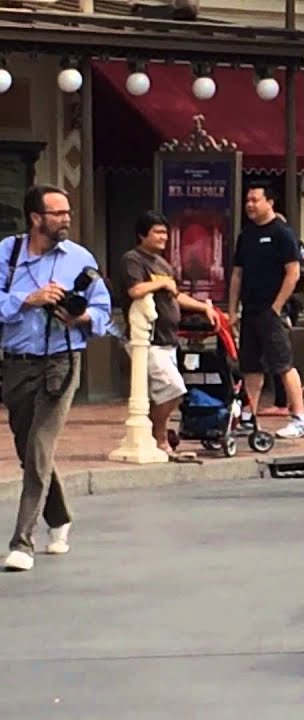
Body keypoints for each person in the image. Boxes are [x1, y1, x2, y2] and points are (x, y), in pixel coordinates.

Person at [0, 185, 112, 571]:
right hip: (16, 361)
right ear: (36, 218)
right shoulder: (8, 253)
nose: (67, 218)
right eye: (58, 213)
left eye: (68, 212)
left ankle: (22, 542)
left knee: (39, 447)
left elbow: (102, 311)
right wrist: (26, 300)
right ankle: (60, 516)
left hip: (61, 360)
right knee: (26, 445)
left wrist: (79, 317)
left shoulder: (79, 259)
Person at [120, 211, 219, 461]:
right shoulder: (133, 259)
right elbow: (135, 290)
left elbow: (175, 295)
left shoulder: (162, 263)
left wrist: (204, 307)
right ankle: (160, 437)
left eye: (165, 232)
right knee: (173, 388)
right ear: (143, 235)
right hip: (146, 340)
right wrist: (160, 285)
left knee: (161, 392)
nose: (163, 237)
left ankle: (153, 436)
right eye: (157, 232)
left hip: (167, 339)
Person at [226, 184, 304, 439]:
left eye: (255, 200)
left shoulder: (282, 233)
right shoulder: (247, 235)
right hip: (249, 310)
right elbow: (237, 274)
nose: (250, 205)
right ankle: (248, 417)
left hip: (271, 311)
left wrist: (276, 306)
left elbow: (293, 272)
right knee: (251, 367)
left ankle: (300, 418)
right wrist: (232, 310)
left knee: (283, 364)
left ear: (270, 202)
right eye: (248, 200)